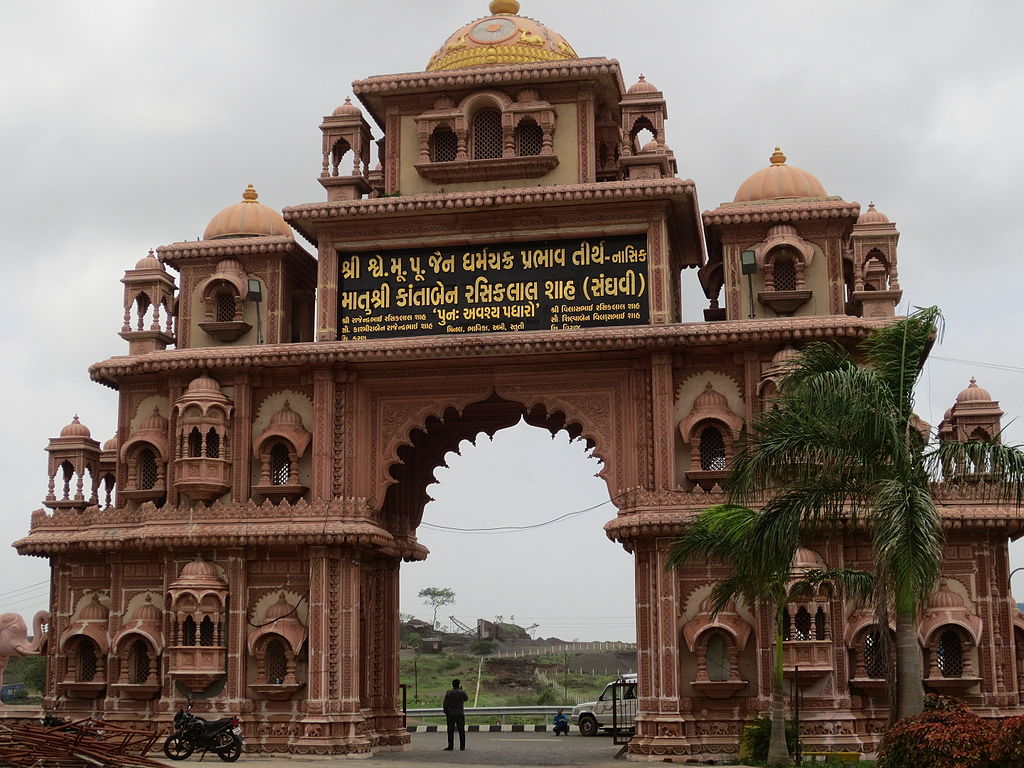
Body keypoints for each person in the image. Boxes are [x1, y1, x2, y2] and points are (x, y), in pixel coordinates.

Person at [442, 678, 469, 751]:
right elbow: (466, 699)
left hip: (451, 714)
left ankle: (450, 746)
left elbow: (445, 703)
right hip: (460, 713)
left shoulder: (449, 692)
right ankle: (462, 746)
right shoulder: (462, 692)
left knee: (450, 731)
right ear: (459, 684)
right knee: (461, 730)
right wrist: (462, 690)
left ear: (452, 685)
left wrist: (445, 711)